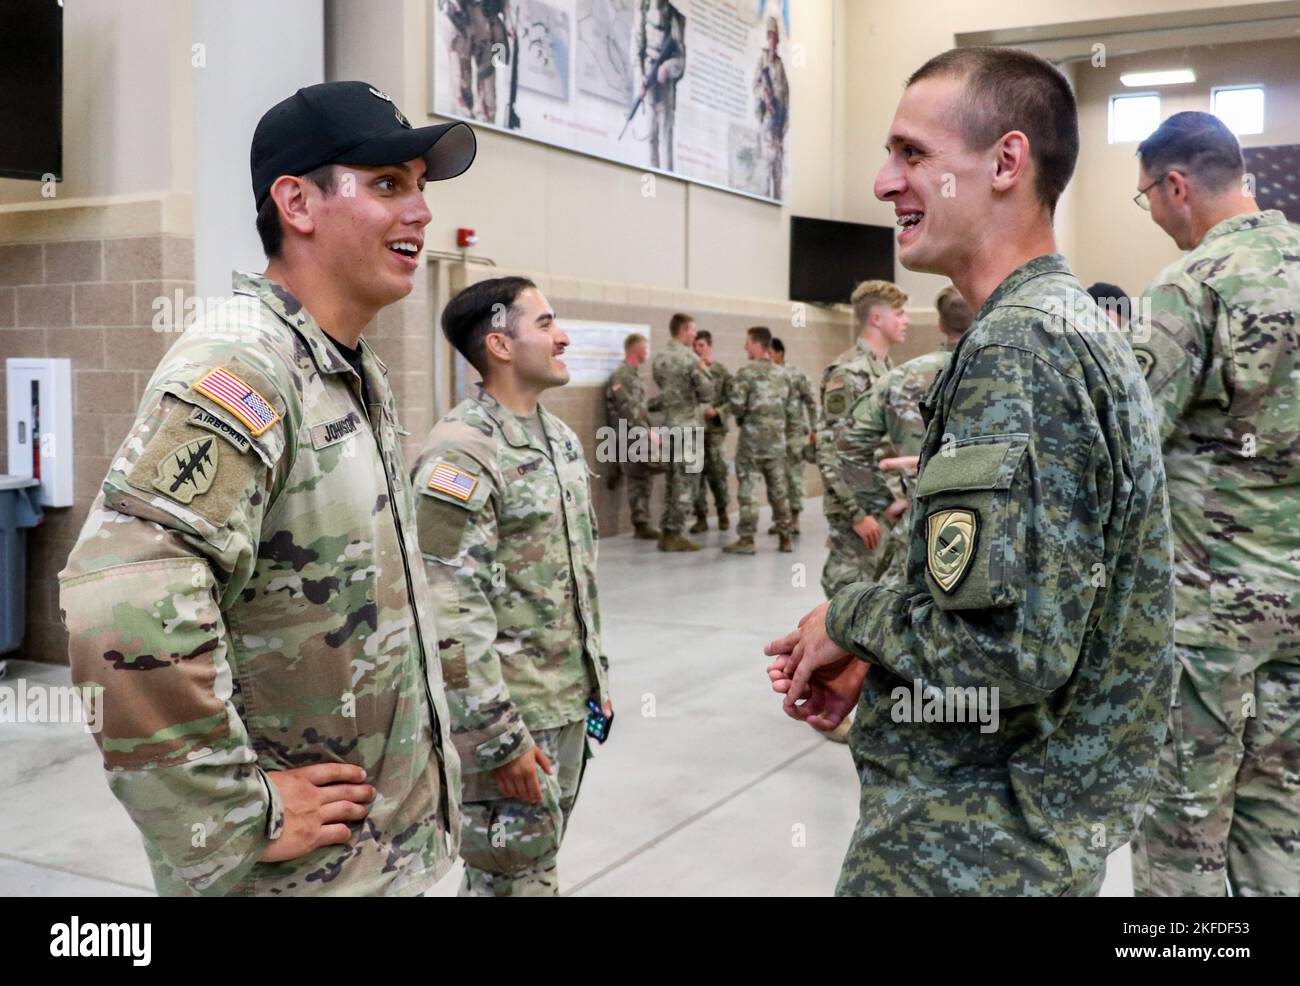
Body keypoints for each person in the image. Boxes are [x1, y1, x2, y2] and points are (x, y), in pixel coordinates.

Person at [766, 47, 1174, 896]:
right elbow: (1033, 601)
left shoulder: (1021, 348)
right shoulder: (1067, 326)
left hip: (977, 837)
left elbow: (1005, 652)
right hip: (1023, 820)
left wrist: (850, 618)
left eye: (912, 154)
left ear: (1005, 162)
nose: (883, 181)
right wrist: (880, 660)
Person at [57, 82, 477, 896]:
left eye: (422, 185)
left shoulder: (346, 369)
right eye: (389, 183)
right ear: (298, 202)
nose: (421, 210)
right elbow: (120, 611)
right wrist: (236, 812)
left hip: (378, 859)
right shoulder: (244, 365)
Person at [1128, 111, 1300, 898]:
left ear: (1177, 186)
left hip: (1209, 618)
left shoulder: (1192, 284)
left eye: (1147, 198)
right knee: (1279, 814)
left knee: (1182, 826)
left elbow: (1128, 448)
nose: (1155, 215)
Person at [413, 276, 612, 896]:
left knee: (535, 868)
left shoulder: (558, 439)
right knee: (509, 880)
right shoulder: (463, 451)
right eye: (546, 323)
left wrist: (594, 682)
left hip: (567, 704)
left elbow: (575, 577)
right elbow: (450, 609)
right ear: (500, 344)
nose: (564, 336)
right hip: (512, 716)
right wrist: (499, 740)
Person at [838, 286, 975, 588]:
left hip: (919, 521)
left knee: (905, 606)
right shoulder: (1007, 373)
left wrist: (882, 501)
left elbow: (848, 445)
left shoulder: (902, 378)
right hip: (990, 525)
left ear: (940, 324)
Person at [816, 279, 907, 597]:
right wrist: (859, 515)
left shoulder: (887, 370)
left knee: (876, 601)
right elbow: (829, 451)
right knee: (847, 598)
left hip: (886, 507)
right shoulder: (847, 373)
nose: (906, 320)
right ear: (877, 319)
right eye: (899, 313)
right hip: (860, 514)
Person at [722, 326, 795, 555]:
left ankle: (747, 538)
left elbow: (737, 406)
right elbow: (791, 409)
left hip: (751, 444)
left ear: (756, 344)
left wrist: (745, 417)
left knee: (748, 491)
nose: (745, 346)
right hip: (776, 443)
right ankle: (785, 537)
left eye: (747, 342)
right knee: (779, 491)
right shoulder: (783, 374)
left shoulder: (746, 374)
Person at [651, 312, 714, 551]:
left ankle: (667, 531)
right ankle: (674, 533)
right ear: (682, 330)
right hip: (688, 428)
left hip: (669, 426)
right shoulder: (690, 358)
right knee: (687, 483)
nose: (695, 334)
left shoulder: (660, 358)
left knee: (673, 481)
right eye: (692, 330)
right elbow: (707, 392)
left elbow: (663, 386)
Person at [604, 332, 661, 540]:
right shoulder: (622, 375)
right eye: (645, 348)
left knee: (644, 476)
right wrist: (645, 432)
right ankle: (640, 523)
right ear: (635, 349)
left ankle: (643, 520)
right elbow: (626, 408)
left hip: (638, 433)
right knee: (638, 478)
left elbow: (641, 408)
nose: (647, 352)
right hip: (628, 435)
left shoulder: (635, 375)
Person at [770, 336, 817, 535]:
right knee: (776, 479)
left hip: (794, 434)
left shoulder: (795, 374)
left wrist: (814, 428)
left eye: (770, 353)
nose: (768, 357)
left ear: (780, 353)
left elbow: (811, 402)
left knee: (794, 477)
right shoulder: (767, 375)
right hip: (772, 435)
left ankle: (795, 519)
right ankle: (781, 519)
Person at [635, 0, 686, 170]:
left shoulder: (674, 17)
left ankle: (666, 186)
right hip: (649, 83)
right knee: (650, 138)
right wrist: (640, 76)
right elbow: (636, 50)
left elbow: (680, 59)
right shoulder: (643, 9)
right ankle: (651, 190)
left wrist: (667, 67)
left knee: (665, 140)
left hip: (665, 89)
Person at [691, 329, 732, 532]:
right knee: (696, 476)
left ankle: (723, 512)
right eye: (695, 346)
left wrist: (717, 412)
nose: (698, 349)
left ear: (709, 347)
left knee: (718, 475)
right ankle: (700, 517)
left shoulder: (721, 372)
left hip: (715, 433)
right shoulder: (690, 371)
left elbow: (732, 401)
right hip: (695, 432)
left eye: (701, 345)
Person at [753, 15, 790, 199]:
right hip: (767, 121)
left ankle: (776, 200)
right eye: (770, 36)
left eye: (775, 37)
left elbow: (786, 97)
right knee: (766, 167)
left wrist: (784, 127)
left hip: (778, 126)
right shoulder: (762, 60)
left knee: (778, 170)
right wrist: (764, 96)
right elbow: (756, 85)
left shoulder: (780, 65)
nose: (773, 40)